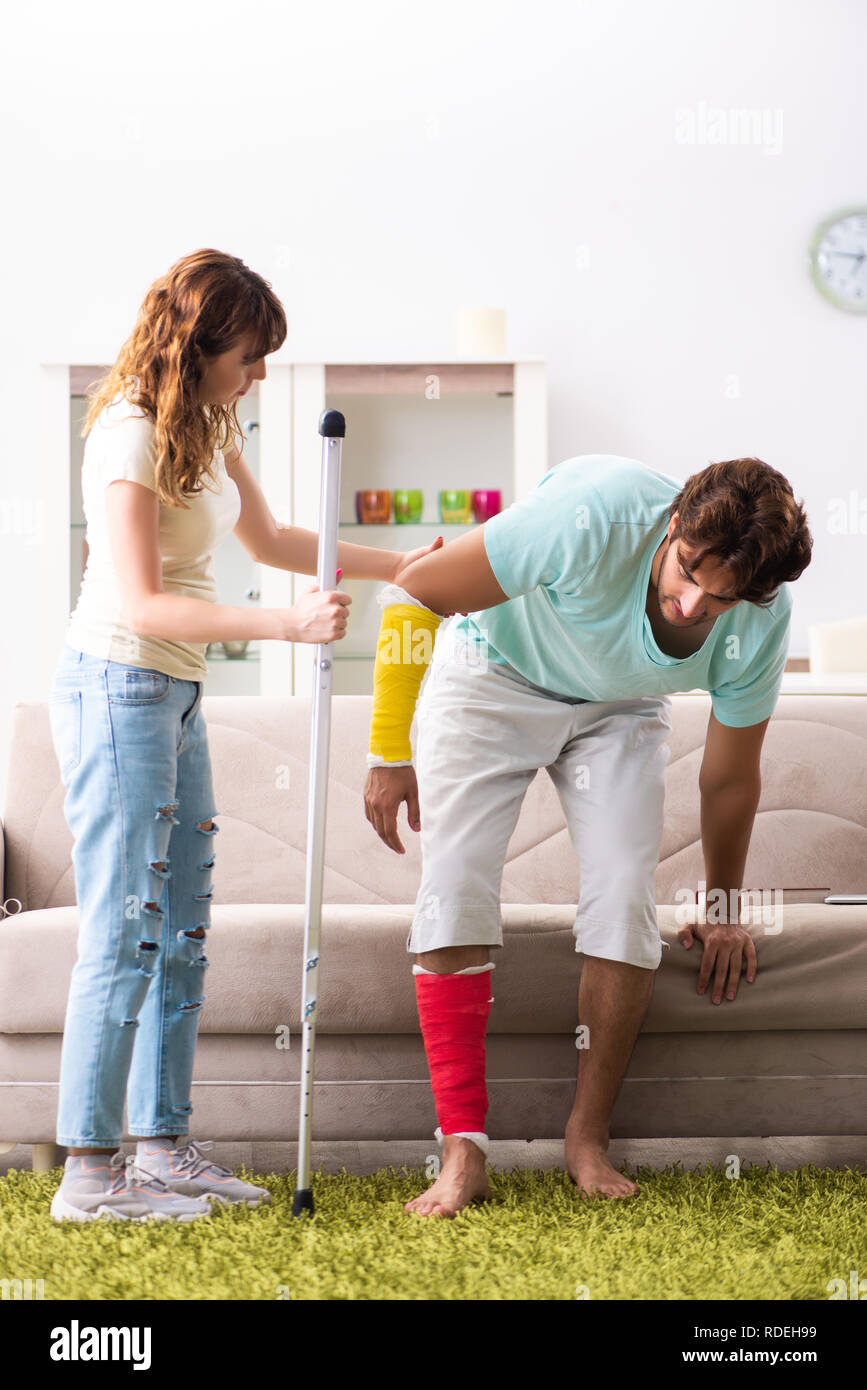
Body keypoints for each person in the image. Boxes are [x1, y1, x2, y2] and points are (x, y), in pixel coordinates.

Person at [48, 247, 442, 1222]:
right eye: (252, 355)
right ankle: (90, 1176)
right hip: (116, 688)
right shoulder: (127, 435)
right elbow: (140, 601)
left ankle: (162, 1145)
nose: (261, 373)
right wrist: (286, 625)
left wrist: (399, 564)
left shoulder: (209, 421)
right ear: (200, 343)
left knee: (181, 930)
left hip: (173, 698)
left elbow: (270, 543)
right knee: (125, 930)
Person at [363, 453, 812, 1217]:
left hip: (619, 705)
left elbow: (729, 778)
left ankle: (586, 1138)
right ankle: (462, 1150)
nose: (689, 604)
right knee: (455, 884)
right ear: (672, 526)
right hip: (494, 673)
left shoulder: (758, 623)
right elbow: (414, 589)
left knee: (624, 894)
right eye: (684, 571)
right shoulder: (588, 520)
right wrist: (387, 748)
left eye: (718, 598)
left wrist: (725, 903)